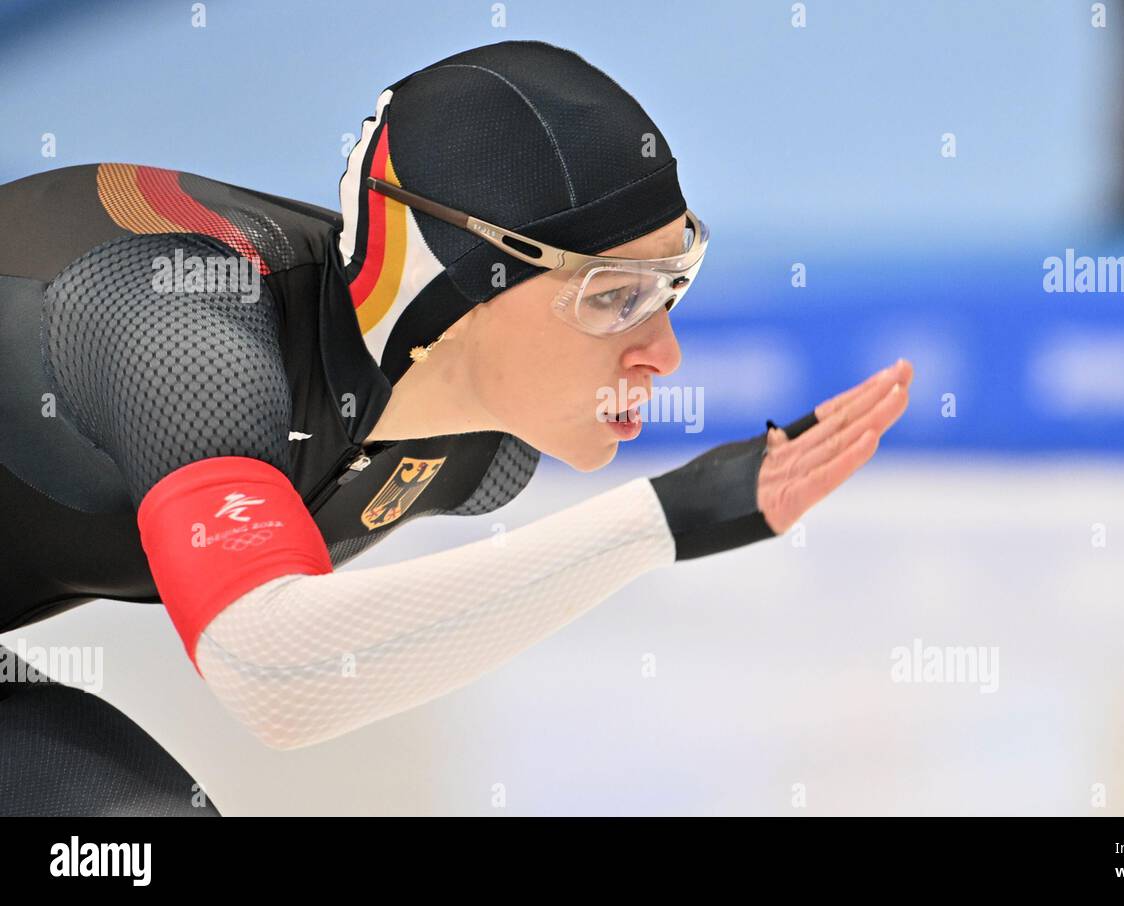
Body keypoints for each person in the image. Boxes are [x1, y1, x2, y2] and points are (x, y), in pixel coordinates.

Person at [0, 39, 913, 816]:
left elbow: (325, 658)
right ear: (459, 281)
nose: (663, 352)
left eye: (672, 287)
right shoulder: (181, 323)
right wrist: (664, 521)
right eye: (616, 297)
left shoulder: (483, 456)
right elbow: (271, 668)